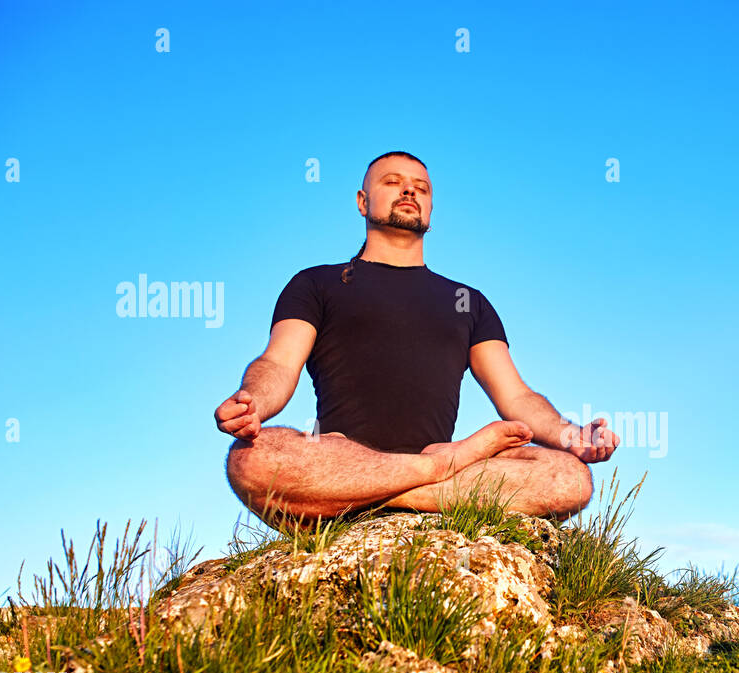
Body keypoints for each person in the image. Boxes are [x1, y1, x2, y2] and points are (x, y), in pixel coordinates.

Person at [214, 150, 618, 525]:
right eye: (392, 182)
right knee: (250, 459)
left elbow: (516, 398)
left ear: (430, 208)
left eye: (421, 188)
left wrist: (573, 436)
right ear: (362, 201)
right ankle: (429, 475)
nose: (409, 190)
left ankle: (375, 495)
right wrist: (252, 403)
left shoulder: (468, 302)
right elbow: (279, 364)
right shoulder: (317, 284)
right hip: (340, 458)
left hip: (371, 477)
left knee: (570, 477)